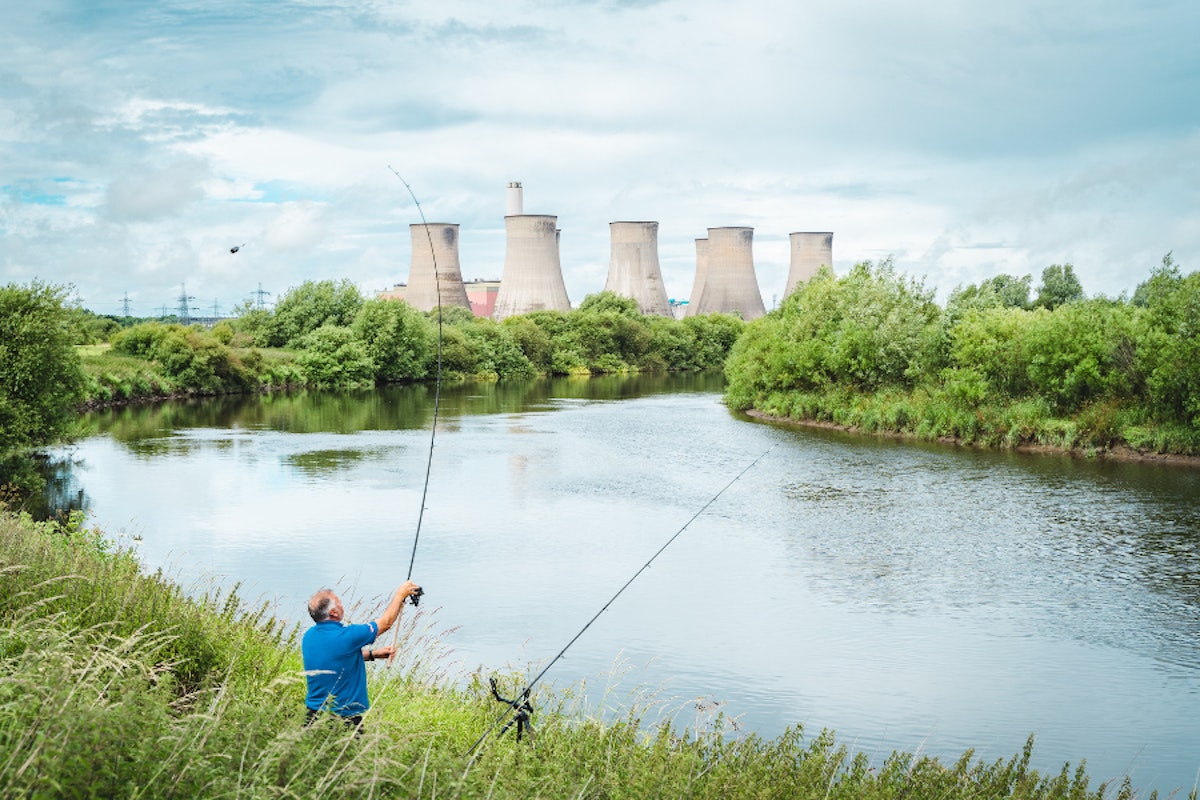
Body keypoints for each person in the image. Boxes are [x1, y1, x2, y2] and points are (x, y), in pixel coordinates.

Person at [301, 580, 421, 729]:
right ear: (333, 613)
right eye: (338, 602)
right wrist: (400, 594)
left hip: (312, 716)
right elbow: (386, 623)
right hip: (343, 718)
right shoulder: (349, 635)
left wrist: (373, 654)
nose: (341, 604)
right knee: (352, 745)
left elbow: (337, 658)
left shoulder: (309, 636)